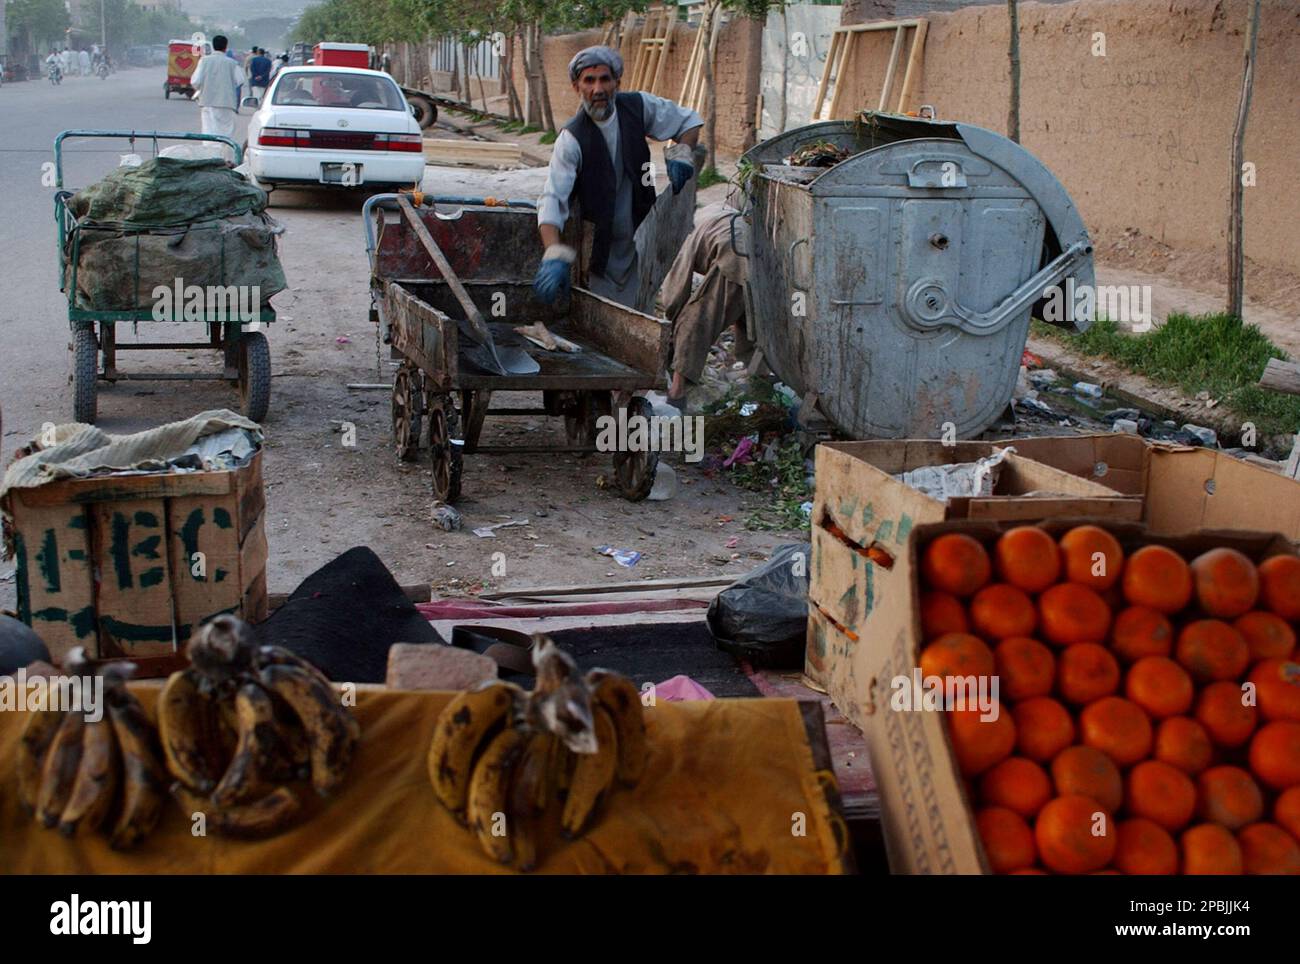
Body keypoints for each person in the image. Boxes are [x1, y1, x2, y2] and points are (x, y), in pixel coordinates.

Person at [533, 45, 702, 309]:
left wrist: (682, 152)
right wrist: (553, 254)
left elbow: (690, 122)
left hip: (641, 243)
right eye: (589, 81)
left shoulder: (638, 107)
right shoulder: (571, 139)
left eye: (604, 79)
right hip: (602, 253)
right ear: (577, 87)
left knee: (640, 314)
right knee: (606, 320)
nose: (598, 89)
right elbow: (553, 199)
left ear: (617, 83)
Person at [660, 199, 753, 412]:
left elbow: (675, 291)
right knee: (748, 316)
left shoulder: (686, 232)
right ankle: (759, 383)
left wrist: (672, 325)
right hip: (753, 251)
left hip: (733, 252)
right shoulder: (712, 211)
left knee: (697, 317)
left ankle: (677, 391)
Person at [190, 35, 244, 141]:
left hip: (207, 102)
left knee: (208, 133)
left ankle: (211, 155)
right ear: (225, 47)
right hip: (226, 103)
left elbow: (195, 81)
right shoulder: (232, 63)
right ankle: (222, 156)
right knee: (225, 135)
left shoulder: (204, 61)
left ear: (213, 46)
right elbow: (240, 81)